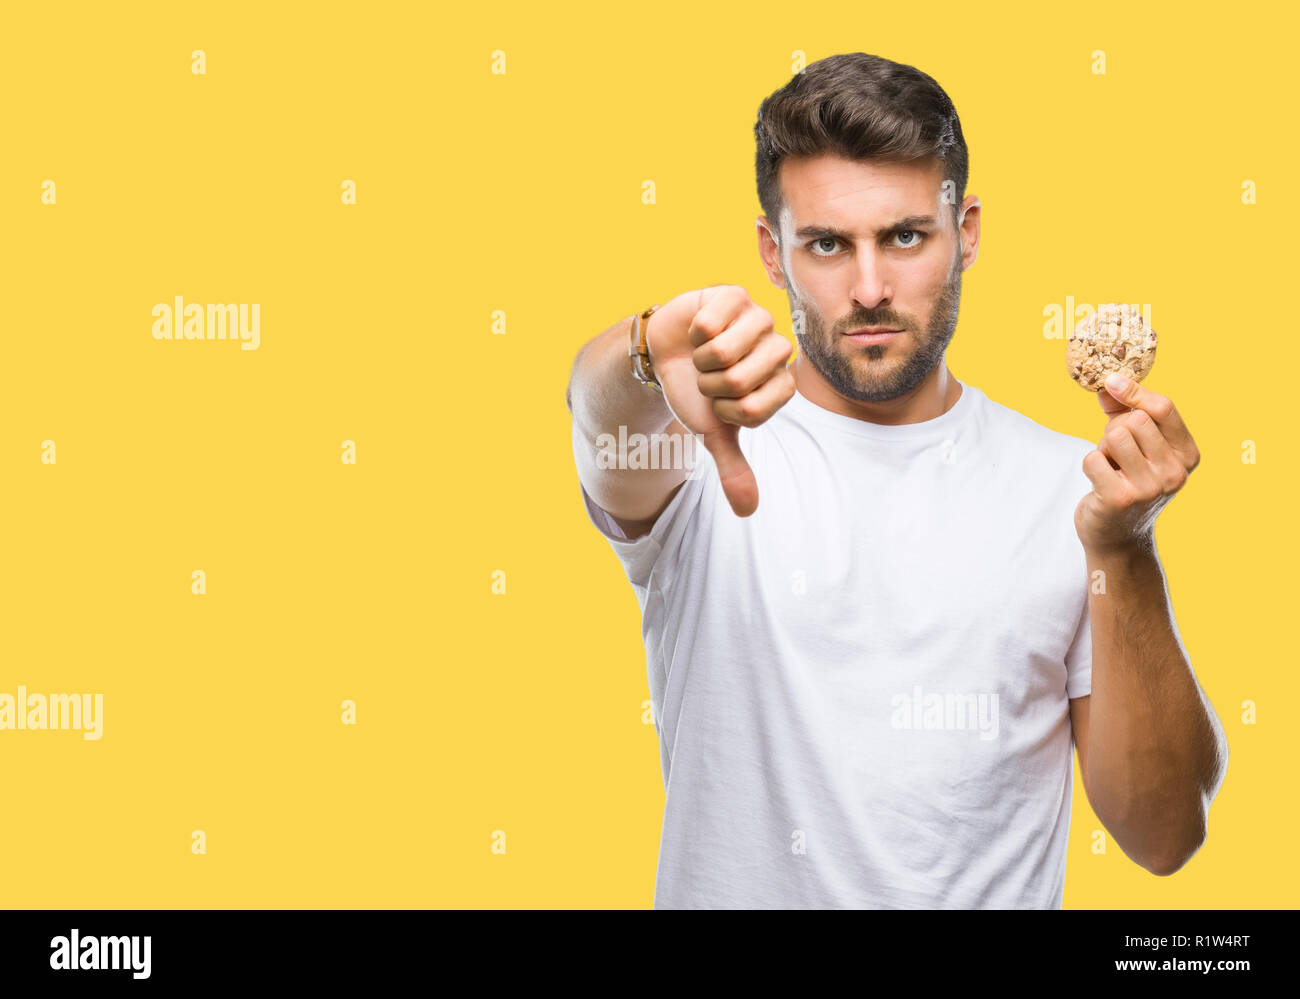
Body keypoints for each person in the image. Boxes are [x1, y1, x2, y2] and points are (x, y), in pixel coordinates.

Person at [565, 52, 1227, 909]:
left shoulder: (1073, 490)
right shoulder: (695, 454)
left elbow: (1165, 833)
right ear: (774, 251)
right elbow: (597, 412)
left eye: (906, 236)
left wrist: (1125, 549)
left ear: (969, 230)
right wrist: (647, 349)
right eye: (829, 244)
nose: (870, 288)